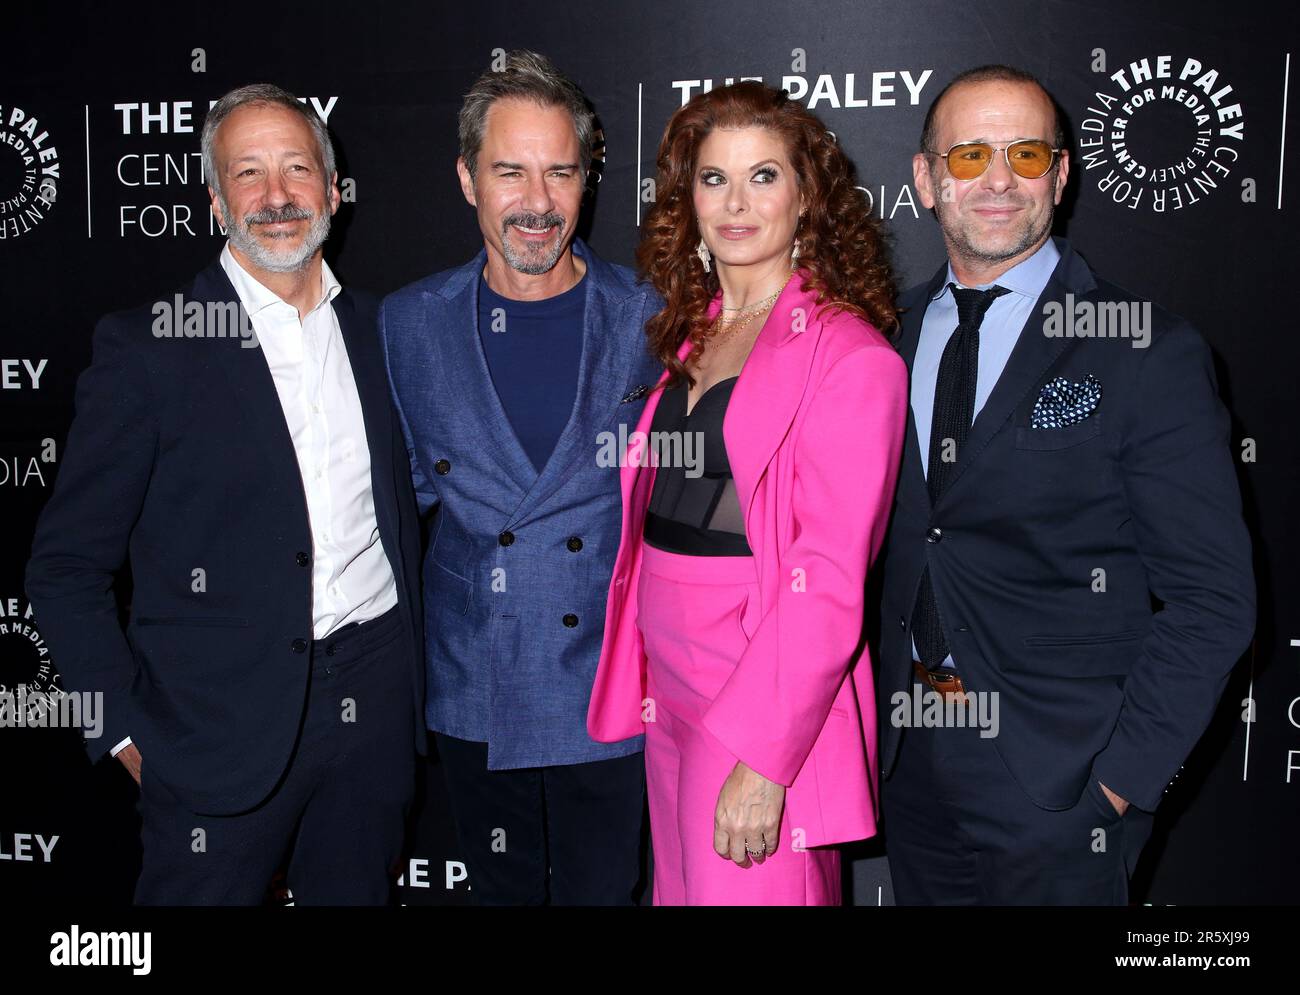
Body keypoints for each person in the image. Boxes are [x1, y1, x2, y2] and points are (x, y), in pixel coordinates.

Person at [24, 84, 425, 904]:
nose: (276, 195)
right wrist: (120, 728)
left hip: (376, 699)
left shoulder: (383, 331)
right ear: (215, 201)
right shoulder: (148, 351)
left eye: (296, 168)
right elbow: (63, 570)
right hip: (213, 727)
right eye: (248, 173)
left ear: (333, 189)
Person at [876, 64, 1256, 904]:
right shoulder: (880, 338)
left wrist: (1120, 781)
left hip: (1062, 780)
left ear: (1061, 173)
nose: (999, 179)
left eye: (1026, 154)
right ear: (926, 180)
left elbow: (1213, 598)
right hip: (907, 761)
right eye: (970, 155)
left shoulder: (1143, 347)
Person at [588, 81, 908, 905]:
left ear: (806, 199)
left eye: (764, 176)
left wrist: (766, 759)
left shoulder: (849, 356)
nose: (736, 203)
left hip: (756, 686)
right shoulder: (693, 328)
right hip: (667, 678)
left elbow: (828, 577)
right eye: (714, 178)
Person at [379, 51, 663, 905]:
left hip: (609, 678)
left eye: (560, 172)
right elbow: (392, 502)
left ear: (587, 182)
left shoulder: (652, 315)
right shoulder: (408, 324)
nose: (537, 202)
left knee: (603, 892)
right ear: (469, 179)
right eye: (510, 172)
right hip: (478, 675)